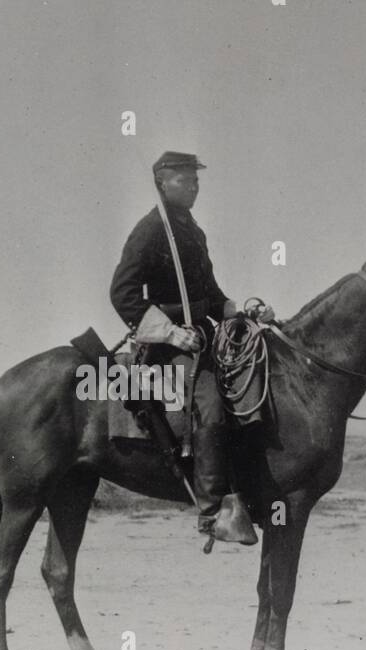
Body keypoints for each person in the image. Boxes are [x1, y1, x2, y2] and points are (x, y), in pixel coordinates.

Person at [109, 151, 274, 544]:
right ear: (162, 182)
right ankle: (212, 512)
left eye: (196, 180)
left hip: (203, 332)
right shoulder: (150, 230)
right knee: (212, 405)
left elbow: (211, 294)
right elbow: (122, 292)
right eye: (185, 180)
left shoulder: (192, 230)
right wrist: (168, 333)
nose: (194, 186)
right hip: (170, 343)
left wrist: (241, 311)